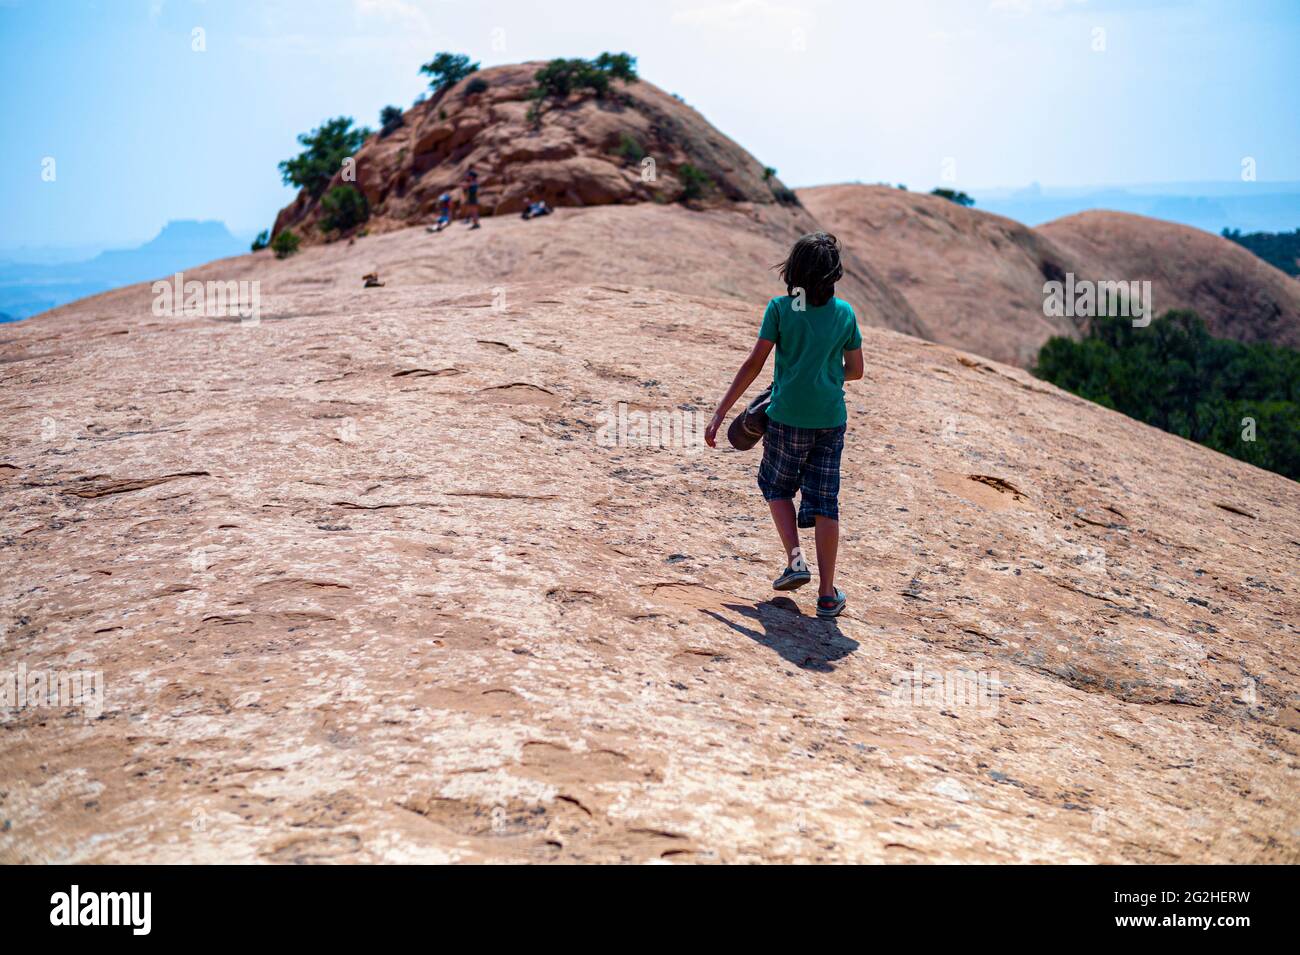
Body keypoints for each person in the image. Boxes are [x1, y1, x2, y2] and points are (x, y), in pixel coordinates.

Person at [703, 233, 864, 619]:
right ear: (834, 275)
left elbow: (754, 364)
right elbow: (856, 371)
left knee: (775, 485)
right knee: (826, 504)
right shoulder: (845, 313)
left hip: (787, 417)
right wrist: (823, 375)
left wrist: (721, 412)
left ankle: (796, 562)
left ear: (794, 271)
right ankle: (827, 596)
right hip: (829, 419)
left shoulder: (780, 309)